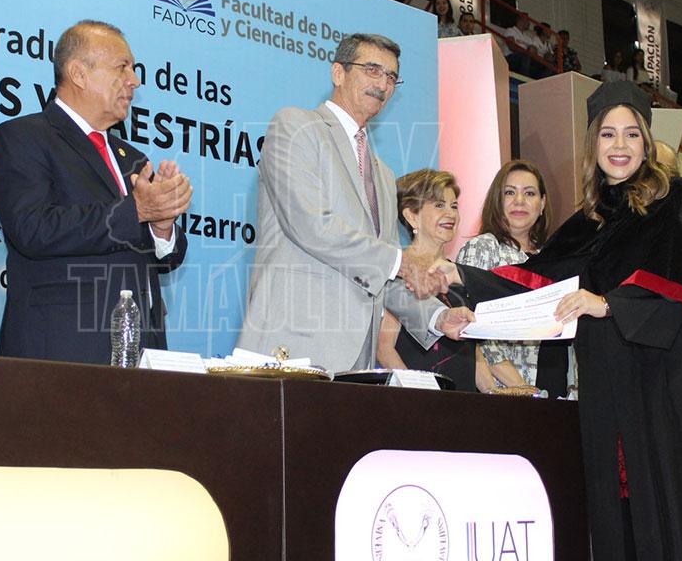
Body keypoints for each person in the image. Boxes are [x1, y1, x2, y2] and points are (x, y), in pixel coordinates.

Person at [438, 81, 682, 560]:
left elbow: (679, 280)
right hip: (611, 389)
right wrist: (462, 285)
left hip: (670, 388)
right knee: (624, 510)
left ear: (647, 142)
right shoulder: (589, 221)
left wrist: (610, 303)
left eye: (631, 135)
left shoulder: (681, 199)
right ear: (593, 143)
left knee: (681, 508)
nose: (619, 146)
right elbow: (534, 282)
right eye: (608, 135)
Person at [239, 33, 473, 373]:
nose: (383, 84)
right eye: (372, 70)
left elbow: (381, 272)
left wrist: (438, 316)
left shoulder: (382, 172)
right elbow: (312, 227)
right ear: (338, 73)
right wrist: (403, 262)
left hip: (358, 362)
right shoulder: (296, 127)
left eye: (392, 76)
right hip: (293, 346)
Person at [0, 21, 190, 364]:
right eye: (122, 66)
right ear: (79, 74)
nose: (135, 80)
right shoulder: (24, 137)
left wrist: (162, 226)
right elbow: (32, 228)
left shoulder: (133, 158)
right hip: (60, 351)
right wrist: (138, 211)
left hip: (142, 353)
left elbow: (165, 260)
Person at [375, 170, 493, 392]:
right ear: (412, 216)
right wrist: (419, 394)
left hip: (465, 401)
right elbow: (384, 349)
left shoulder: (458, 274)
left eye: (454, 206)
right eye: (439, 205)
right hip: (420, 404)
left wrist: (492, 394)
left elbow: (472, 351)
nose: (450, 213)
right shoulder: (401, 271)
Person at [457, 160, 567, 395]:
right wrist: (522, 387)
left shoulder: (553, 258)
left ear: (542, 203)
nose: (519, 201)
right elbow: (472, 328)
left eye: (529, 193)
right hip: (506, 391)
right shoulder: (482, 248)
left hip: (555, 380)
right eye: (510, 192)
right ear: (497, 201)